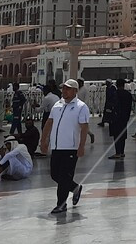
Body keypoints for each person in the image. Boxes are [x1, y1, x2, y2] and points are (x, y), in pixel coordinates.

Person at [40, 79, 89, 214]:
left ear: (75, 91)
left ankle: (61, 204)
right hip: (57, 147)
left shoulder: (81, 107)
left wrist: (81, 146)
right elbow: (49, 123)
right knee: (55, 175)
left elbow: (84, 127)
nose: (64, 91)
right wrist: (43, 140)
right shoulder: (57, 105)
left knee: (65, 177)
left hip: (71, 147)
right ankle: (75, 188)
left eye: (68, 89)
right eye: (63, 88)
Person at [108, 78, 133, 159]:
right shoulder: (128, 94)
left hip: (116, 118)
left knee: (116, 135)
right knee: (123, 135)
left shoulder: (115, 94)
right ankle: (122, 152)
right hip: (125, 117)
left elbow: (111, 106)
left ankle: (117, 152)